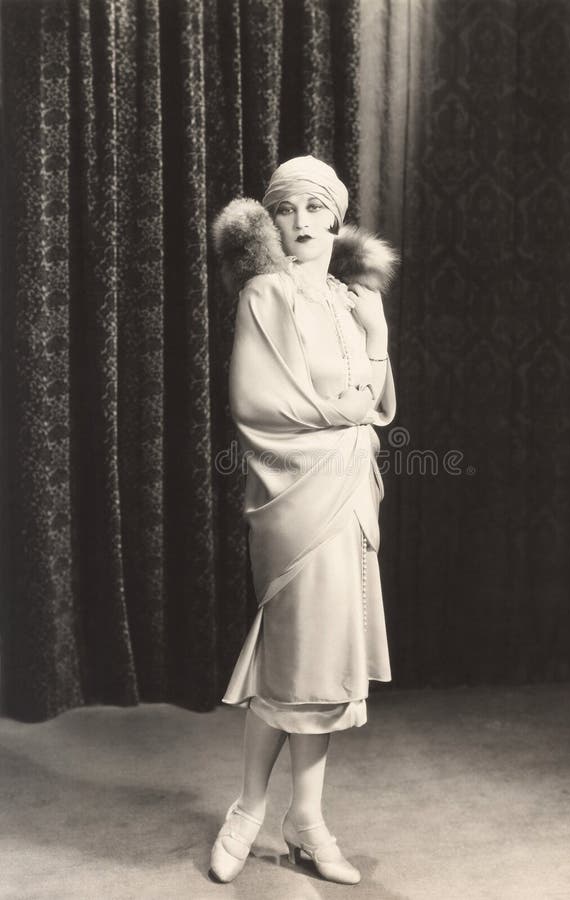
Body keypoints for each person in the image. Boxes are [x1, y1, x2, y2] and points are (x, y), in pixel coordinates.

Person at [209, 155, 397, 886]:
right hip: (293, 495)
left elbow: (375, 402)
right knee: (292, 656)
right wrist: (341, 414)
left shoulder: (351, 301)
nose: (300, 223)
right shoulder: (266, 293)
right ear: (272, 222)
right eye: (285, 209)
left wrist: (376, 333)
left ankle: (306, 818)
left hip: (350, 496)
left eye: (315, 208)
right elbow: (254, 403)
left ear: (336, 220)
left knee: (325, 664)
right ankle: (250, 808)